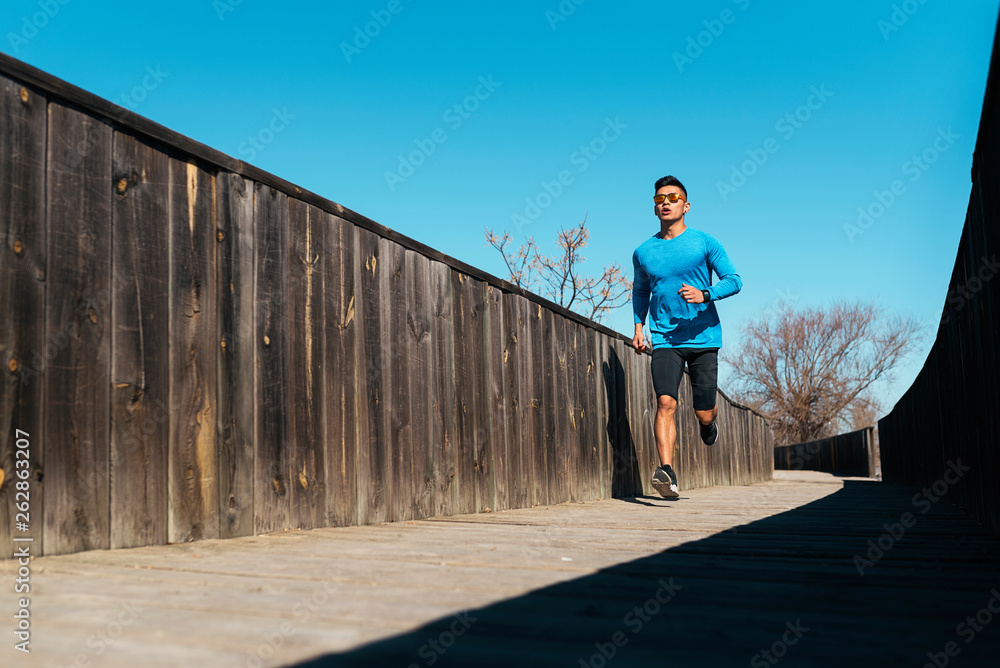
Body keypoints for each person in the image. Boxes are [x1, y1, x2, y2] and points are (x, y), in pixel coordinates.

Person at [631, 175, 742, 499]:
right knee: (665, 401)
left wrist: (705, 294)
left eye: (673, 197)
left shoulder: (704, 242)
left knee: (703, 410)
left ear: (686, 205)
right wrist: (639, 328)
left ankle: (708, 424)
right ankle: (667, 472)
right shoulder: (643, 252)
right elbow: (640, 290)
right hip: (665, 337)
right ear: (655, 208)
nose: (665, 202)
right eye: (659, 198)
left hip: (704, 337)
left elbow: (734, 280)